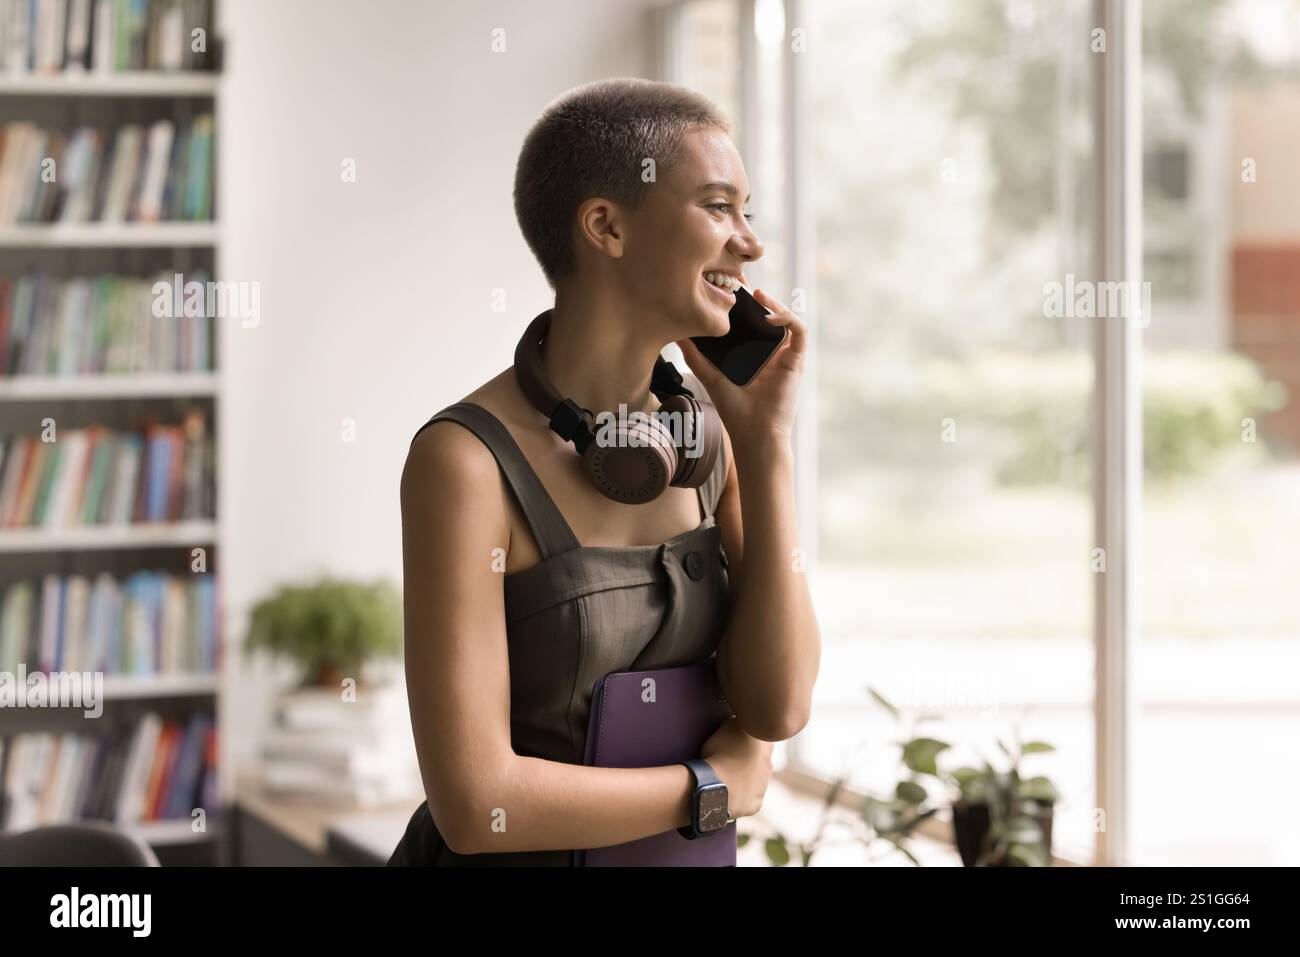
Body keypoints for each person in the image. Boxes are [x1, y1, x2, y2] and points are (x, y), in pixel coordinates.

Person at [387, 77, 820, 866]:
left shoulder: (711, 439)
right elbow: (479, 807)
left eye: (746, 212)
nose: (749, 242)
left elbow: (780, 704)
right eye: (719, 207)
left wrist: (767, 446)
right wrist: (707, 788)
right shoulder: (464, 462)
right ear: (606, 227)